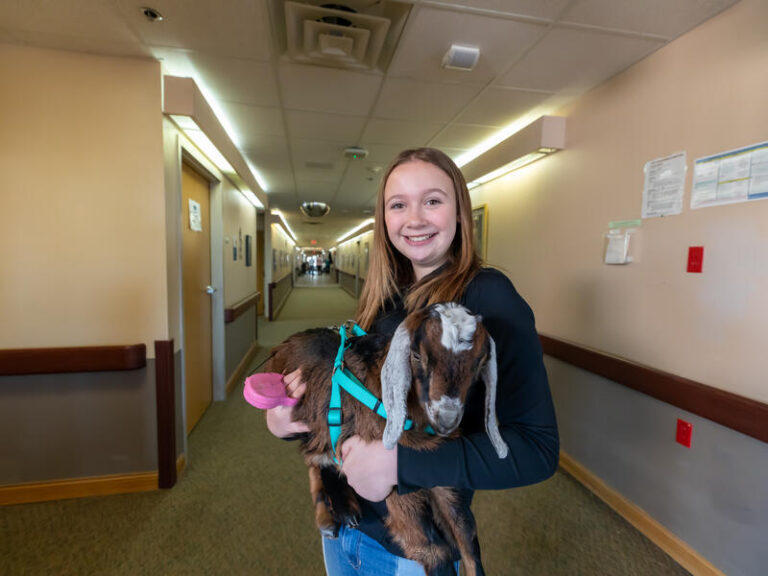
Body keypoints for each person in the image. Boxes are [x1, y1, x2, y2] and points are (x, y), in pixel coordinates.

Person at [266, 147, 559, 576]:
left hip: (412, 552)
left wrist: (401, 465)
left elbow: (537, 450)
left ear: (461, 213)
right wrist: (288, 421)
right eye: (398, 204)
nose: (414, 218)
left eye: (433, 201)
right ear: (384, 220)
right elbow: (354, 410)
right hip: (346, 531)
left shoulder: (487, 299)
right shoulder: (383, 299)